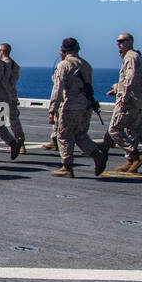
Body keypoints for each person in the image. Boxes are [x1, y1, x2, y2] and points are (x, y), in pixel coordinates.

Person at [48, 37, 108, 178]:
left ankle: (67, 167)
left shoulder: (64, 65)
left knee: (63, 135)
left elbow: (58, 89)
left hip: (71, 105)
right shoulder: (86, 65)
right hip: (86, 105)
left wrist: (52, 110)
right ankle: (96, 154)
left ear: (63, 50)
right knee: (79, 135)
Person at [103, 33, 142, 171]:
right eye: (117, 41)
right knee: (131, 129)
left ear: (130, 41)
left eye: (122, 41)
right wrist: (116, 88)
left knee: (114, 129)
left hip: (129, 101)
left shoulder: (131, 57)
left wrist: (122, 97)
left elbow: (130, 80)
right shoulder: (136, 57)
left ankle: (135, 155)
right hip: (137, 100)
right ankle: (133, 159)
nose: (119, 44)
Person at [0, 43, 27, 155]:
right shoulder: (15, 65)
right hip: (12, 96)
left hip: (2, 96)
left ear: (3, 51)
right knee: (14, 121)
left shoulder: (2, 64)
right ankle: (20, 143)